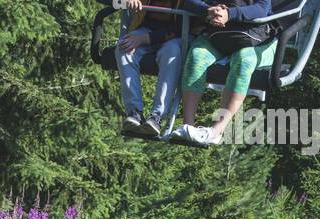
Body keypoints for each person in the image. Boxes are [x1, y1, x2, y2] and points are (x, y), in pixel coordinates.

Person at [173, 2, 277, 146]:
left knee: (243, 61)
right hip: (219, 35)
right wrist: (208, 11)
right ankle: (187, 126)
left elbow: (261, 9)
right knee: (197, 56)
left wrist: (229, 14)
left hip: (257, 39)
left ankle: (217, 130)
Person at [117, 0, 190, 139]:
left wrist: (145, 38)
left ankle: (157, 116)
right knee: (123, 47)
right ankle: (134, 112)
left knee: (172, 52)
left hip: (178, 34)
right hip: (146, 29)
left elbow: (191, 21)